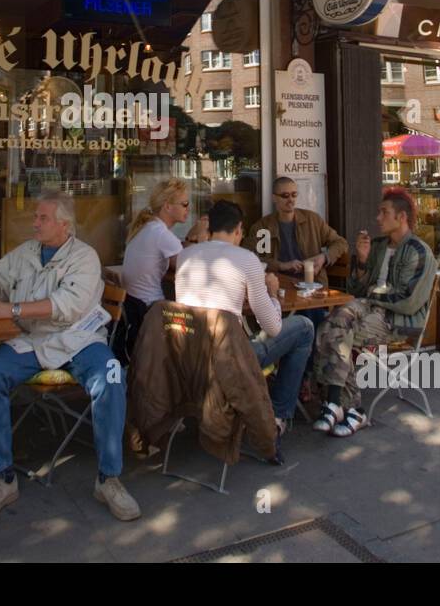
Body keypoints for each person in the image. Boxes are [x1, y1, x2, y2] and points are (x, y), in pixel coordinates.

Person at [0, 189, 140, 524]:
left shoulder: (85, 257)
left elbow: (67, 307)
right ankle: (1, 480)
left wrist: (11, 308)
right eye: (35, 216)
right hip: (32, 341)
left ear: (64, 225)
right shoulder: (26, 252)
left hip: (78, 339)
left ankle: (109, 479)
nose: (34, 223)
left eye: (42, 218)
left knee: (111, 373)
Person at [174, 200, 315, 458]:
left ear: (210, 227)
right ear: (239, 230)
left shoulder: (185, 255)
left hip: (189, 359)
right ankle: (278, 415)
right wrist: (272, 293)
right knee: (304, 327)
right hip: (232, 360)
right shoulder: (246, 259)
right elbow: (272, 326)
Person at [311, 188, 437, 438]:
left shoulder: (419, 252)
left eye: (384, 212)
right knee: (329, 325)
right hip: (366, 309)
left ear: (401, 217)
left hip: (397, 321)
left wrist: (370, 294)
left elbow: (407, 302)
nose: (378, 218)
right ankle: (347, 408)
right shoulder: (378, 246)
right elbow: (354, 289)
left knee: (337, 331)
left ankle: (342, 405)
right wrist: (362, 260)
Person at [117, 178, 209, 364]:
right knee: (206, 324)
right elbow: (194, 265)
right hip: (152, 313)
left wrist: (191, 236)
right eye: (184, 204)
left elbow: (178, 251)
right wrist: (200, 237)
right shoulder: (160, 234)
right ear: (167, 207)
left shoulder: (148, 227)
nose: (188, 209)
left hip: (135, 308)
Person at [244, 176, 349, 327]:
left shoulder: (312, 220)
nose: (291, 200)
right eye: (285, 196)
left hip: (311, 286)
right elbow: (256, 260)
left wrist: (324, 257)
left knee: (311, 308)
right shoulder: (264, 228)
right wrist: (282, 265)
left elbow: (340, 243)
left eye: (294, 195)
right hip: (280, 288)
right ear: (275, 198)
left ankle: (312, 347)